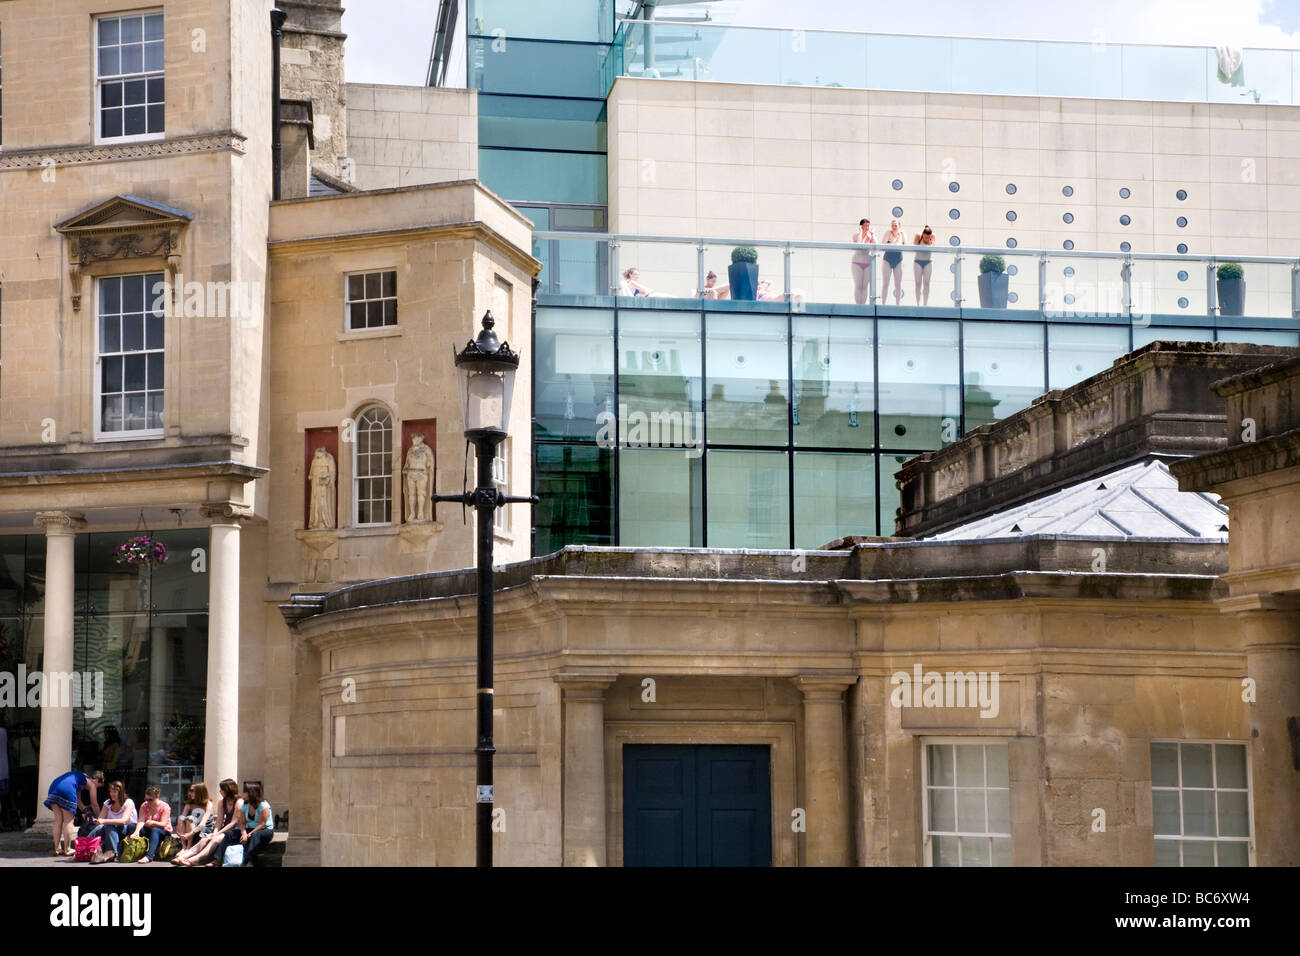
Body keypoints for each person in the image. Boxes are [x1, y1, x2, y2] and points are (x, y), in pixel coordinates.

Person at [175, 777, 242, 866]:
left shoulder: (239, 802)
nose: (219, 791)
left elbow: (233, 822)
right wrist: (215, 832)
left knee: (216, 838)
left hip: (236, 830)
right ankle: (183, 857)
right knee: (205, 838)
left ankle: (194, 859)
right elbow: (219, 821)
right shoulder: (222, 802)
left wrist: (217, 834)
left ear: (227, 790)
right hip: (224, 830)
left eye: (221, 789)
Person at [44, 768, 103, 857]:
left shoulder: (80, 777)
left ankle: (57, 848)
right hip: (66, 789)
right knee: (68, 820)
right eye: (99, 786)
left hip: (54, 787)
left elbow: (78, 799)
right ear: (97, 780)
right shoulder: (92, 784)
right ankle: (67, 849)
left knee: (58, 820)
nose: (96, 788)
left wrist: (84, 810)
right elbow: (94, 804)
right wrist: (100, 818)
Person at [87, 779, 136, 859]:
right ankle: (85, 847)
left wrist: (105, 821)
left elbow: (124, 821)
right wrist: (94, 820)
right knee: (102, 827)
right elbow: (100, 820)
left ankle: (115, 853)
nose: (112, 794)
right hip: (111, 829)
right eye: (111, 792)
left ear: (120, 792)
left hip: (126, 829)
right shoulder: (108, 803)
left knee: (108, 826)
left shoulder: (128, 802)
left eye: (114, 792)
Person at [128, 785, 172, 863]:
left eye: (150, 800)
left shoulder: (165, 807)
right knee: (132, 826)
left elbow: (163, 824)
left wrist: (153, 822)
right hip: (150, 830)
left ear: (157, 797)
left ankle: (149, 856)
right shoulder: (144, 805)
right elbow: (141, 820)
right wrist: (136, 832)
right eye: (146, 799)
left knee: (155, 830)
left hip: (163, 832)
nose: (148, 802)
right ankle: (135, 850)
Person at [239, 782, 275, 866]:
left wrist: (249, 834)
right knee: (230, 834)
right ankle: (217, 859)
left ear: (251, 793)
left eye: (245, 791)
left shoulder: (263, 805)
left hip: (265, 830)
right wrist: (244, 833)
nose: (242, 793)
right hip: (250, 830)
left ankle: (250, 862)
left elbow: (262, 824)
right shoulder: (245, 805)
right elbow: (242, 823)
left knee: (255, 835)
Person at [174, 782, 214, 855]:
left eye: (192, 791)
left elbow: (203, 823)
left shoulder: (208, 804)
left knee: (190, 818)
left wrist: (190, 834)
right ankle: (184, 847)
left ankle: (189, 847)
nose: (189, 793)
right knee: (182, 818)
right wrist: (179, 829)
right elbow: (182, 818)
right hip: (192, 827)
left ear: (199, 792)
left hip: (204, 828)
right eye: (190, 790)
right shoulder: (189, 803)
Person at [881, 219, 906, 305]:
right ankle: (883, 304)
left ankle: (898, 304)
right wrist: (894, 243)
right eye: (892, 225)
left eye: (895, 226)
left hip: (898, 259)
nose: (894, 227)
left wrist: (895, 242)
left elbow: (905, 246)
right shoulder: (888, 233)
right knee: (885, 283)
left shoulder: (902, 234)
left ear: (899, 226)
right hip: (887, 258)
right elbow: (883, 245)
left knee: (898, 284)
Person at [851, 218, 875, 305]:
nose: (867, 227)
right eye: (865, 225)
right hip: (857, 262)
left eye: (868, 225)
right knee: (858, 286)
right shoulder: (856, 235)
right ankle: (858, 304)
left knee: (864, 286)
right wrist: (861, 232)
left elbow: (876, 244)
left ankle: (863, 304)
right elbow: (859, 243)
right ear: (861, 226)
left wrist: (872, 234)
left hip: (867, 263)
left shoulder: (870, 236)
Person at [913, 225, 936, 306]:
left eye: (928, 237)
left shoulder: (932, 237)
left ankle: (925, 303)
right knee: (918, 283)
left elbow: (933, 247)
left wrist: (930, 242)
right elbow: (914, 247)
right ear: (923, 234)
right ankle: (918, 303)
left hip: (928, 262)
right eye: (925, 237)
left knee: (926, 283)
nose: (927, 239)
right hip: (918, 261)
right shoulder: (918, 236)